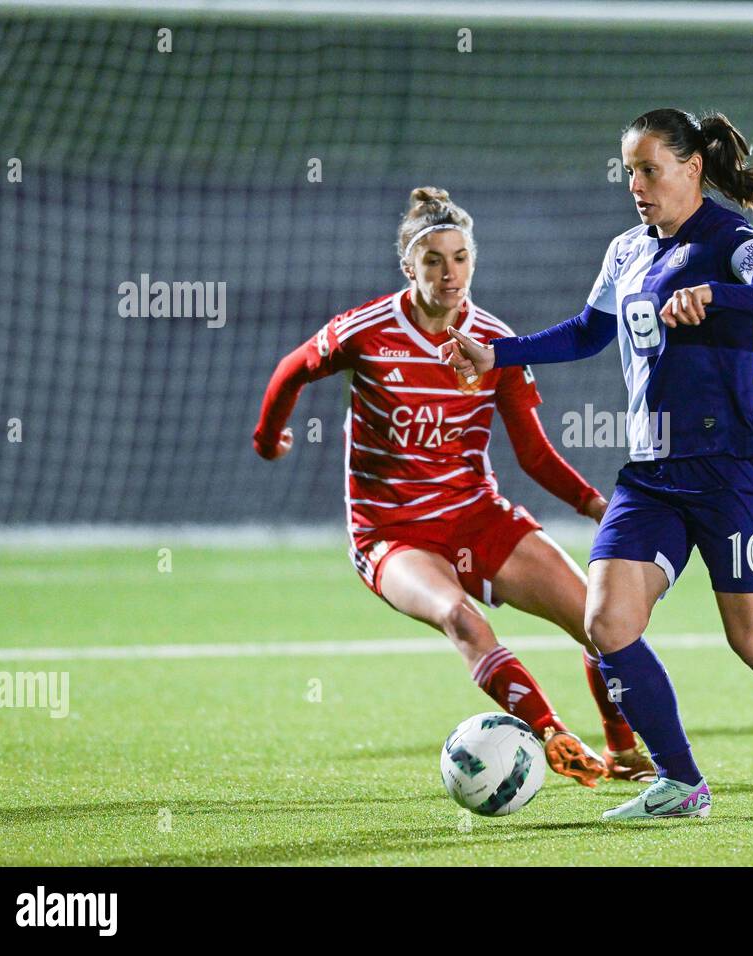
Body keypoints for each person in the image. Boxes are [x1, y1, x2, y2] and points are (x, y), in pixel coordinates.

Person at [444, 109, 753, 820]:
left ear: (692, 168)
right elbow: (586, 333)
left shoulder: (732, 239)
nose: (636, 185)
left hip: (732, 472)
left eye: (649, 170)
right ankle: (682, 783)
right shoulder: (625, 252)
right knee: (605, 622)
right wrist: (498, 354)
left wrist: (720, 294)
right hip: (651, 477)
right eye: (629, 172)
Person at [252, 186, 656, 786]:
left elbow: (535, 454)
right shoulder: (365, 332)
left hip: (478, 516)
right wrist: (268, 438)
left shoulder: (495, 344)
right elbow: (292, 369)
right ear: (408, 266)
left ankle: (625, 752)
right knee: (461, 619)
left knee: (603, 623)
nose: (450, 273)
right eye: (434, 260)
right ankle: (551, 734)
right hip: (391, 534)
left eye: (461, 258)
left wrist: (596, 505)